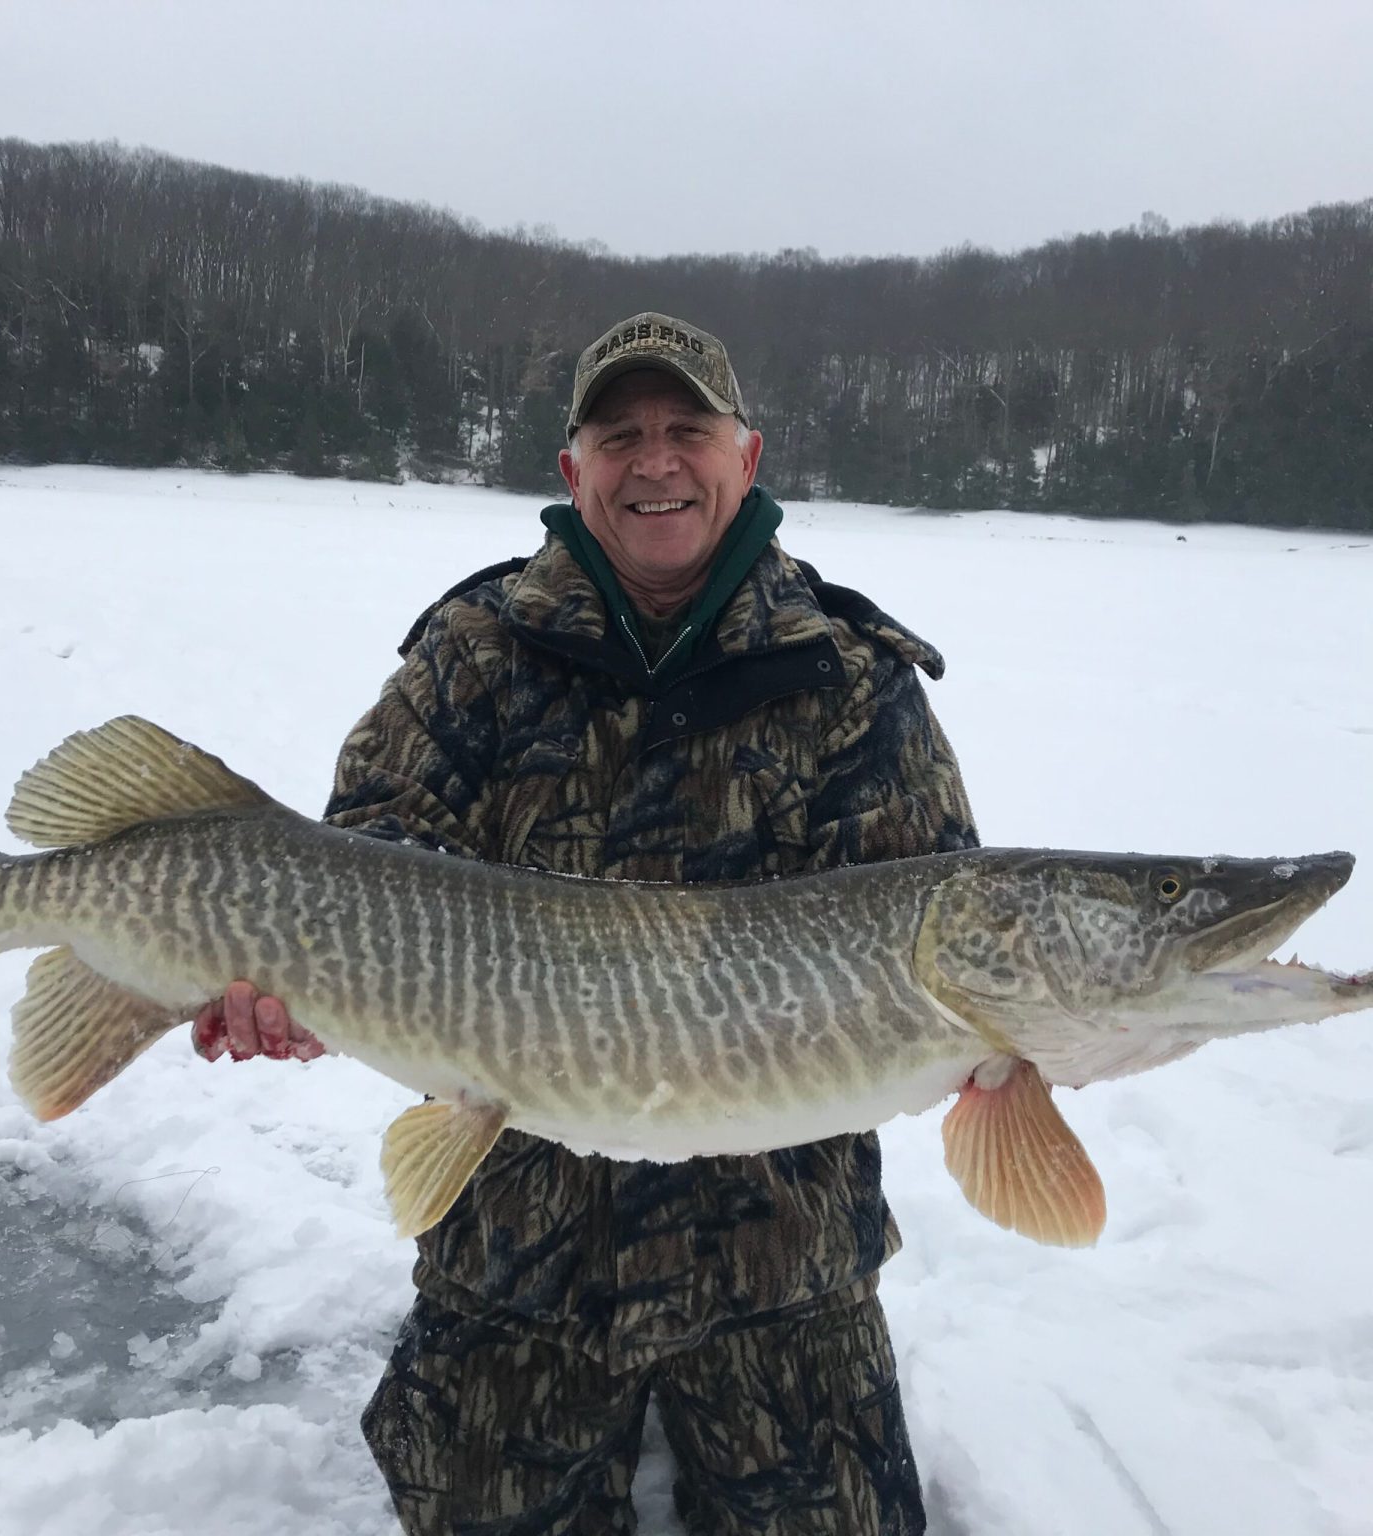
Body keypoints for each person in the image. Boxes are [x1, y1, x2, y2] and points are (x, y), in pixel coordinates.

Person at [192, 312, 979, 1534]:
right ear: (574, 471)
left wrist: (1034, 1032)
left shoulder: (850, 678)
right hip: (517, 1256)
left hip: (781, 1266)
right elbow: (364, 856)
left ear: (747, 457)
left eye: (687, 431)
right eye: (622, 436)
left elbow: (932, 907)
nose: (655, 462)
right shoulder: (474, 652)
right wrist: (294, 984)